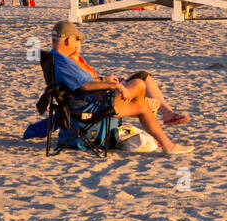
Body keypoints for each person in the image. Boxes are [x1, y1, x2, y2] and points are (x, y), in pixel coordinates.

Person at [50, 20, 192, 155]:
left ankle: (168, 145)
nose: (78, 44)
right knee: (139, 84)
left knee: (141, 104)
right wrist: (116, 85)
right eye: (76, 40)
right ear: (68, 40)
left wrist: (105, 80)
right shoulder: (62, 61)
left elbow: (81, 82)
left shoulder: (56, 58)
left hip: (89, 101)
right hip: (90, 108)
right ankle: (154, 109)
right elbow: (85, 85)